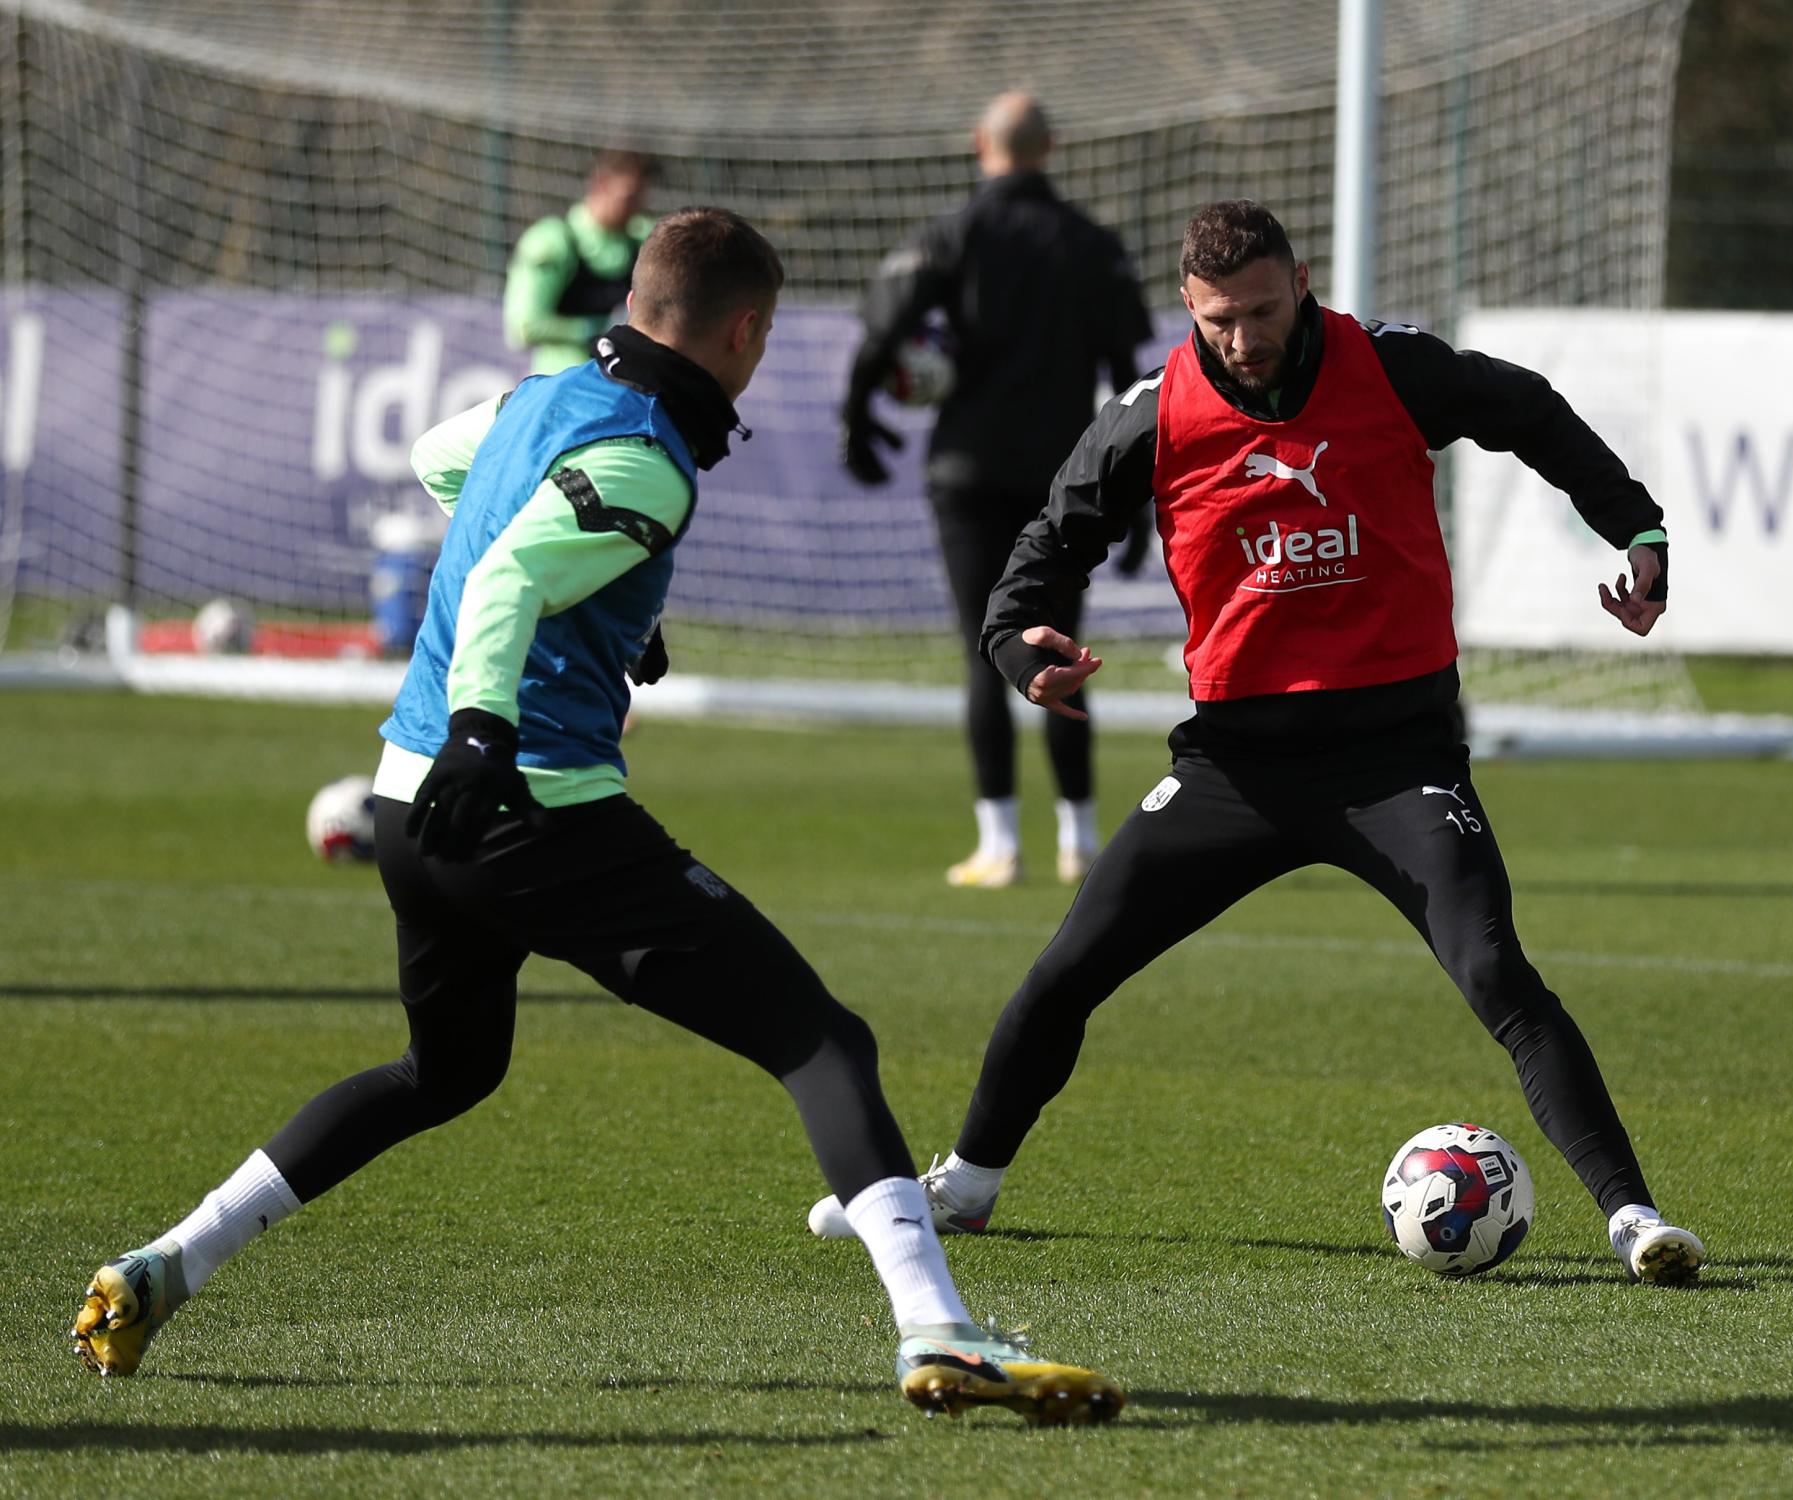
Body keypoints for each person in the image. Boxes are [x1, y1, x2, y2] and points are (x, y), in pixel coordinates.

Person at [72, 207, 1122, 1425]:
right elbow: (517, 570)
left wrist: (607, 589)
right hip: (531, 812)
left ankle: (166, 1263)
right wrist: (486, 719)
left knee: (443, 1071)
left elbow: (438, 460)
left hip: (412, 811)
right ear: (741, 331)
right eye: (764, 336)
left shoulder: (536, 400)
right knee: (820, 1041)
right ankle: (939, 1334)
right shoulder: (647, 458)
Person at [810, 199, 1707, 1287]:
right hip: (1231, 771)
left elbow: (1527, 412)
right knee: (1062, 976)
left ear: (1300, 282)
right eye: (1221, 317)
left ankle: (1632, 1218)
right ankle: (967, 1185)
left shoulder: (1389, 367)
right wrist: (1016, 643)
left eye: (1265, 308)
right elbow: (1047, 547)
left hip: (1399, 761)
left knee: (1495, 971)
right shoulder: (1149, 415)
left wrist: (1636, 527)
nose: (1245, 336)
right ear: (1187, 305)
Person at [839, 92, 1154, 889]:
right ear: (1050, 146)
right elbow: (1129, 375)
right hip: (1065, 479)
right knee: (1066, 649)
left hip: (969, 473)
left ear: (979, 143)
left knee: (990, 653)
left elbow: (883, 328)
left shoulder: (954, 233)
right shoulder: (1089, 242)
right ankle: (1080, 840)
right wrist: (1138, 485)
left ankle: (999, 846)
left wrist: (857, 415)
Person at [503, 148, 656, 375]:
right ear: (601, 184)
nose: (637, 207)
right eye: (630, 197)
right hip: (563, 387)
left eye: (642, 197)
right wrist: (596, 330)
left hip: (624, 392)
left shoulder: (644, 239)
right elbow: (523, 327)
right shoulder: (553, 242)